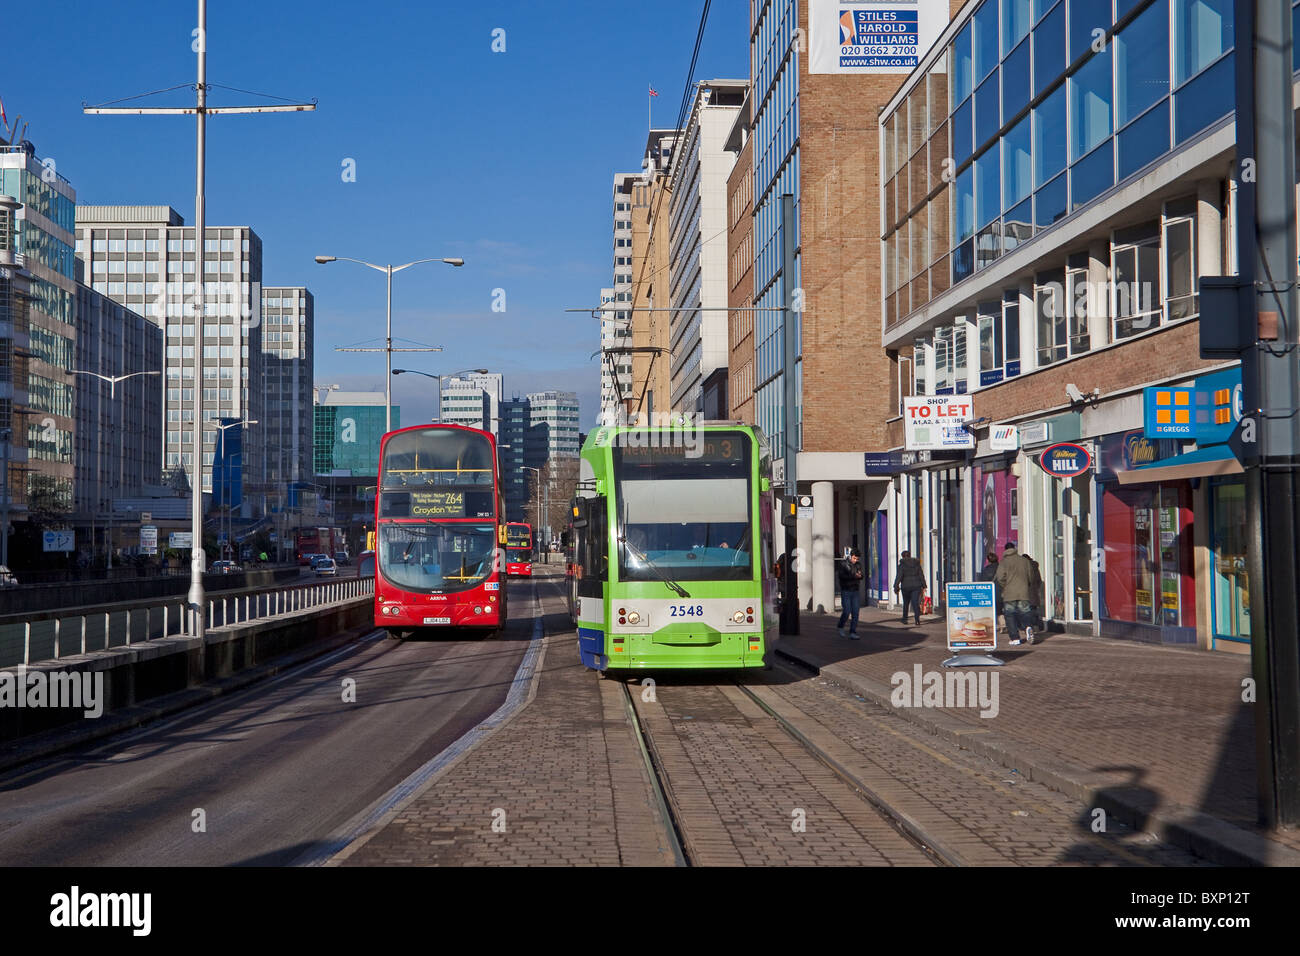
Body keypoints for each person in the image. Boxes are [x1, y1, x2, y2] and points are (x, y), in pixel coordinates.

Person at [994, 541, 1035, 645]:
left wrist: (1005, 586)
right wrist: (1027, 585)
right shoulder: (1024, 561)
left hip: (1009, 594)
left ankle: (1015, 638)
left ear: (1005, 550)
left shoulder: (1004, 562)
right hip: (1023, 592)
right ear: (1014, 548)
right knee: (1025, 612)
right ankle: (1028, 627)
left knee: (1009, 615)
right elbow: (1031, 576)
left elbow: (1000, 577)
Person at [836, 548, 864, 639]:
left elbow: (861, 575)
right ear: (851, 556)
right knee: (847, 611)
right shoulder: (843, 564)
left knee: (855, 612)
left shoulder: (858, 565)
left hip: (855, 590)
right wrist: (853, 576)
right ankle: (840, 626)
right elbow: (841, 576)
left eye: (857, 559)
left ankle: (853, 631)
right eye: (854, 558)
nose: (855, 560)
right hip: (846, 590)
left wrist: (860, 576)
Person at [894, 550, 927, 625]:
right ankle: (917, 619)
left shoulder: (902, 565)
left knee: (906, 603)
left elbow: (899, 577)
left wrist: (896, 587)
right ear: (910, 555)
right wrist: (924, 586)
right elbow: (921, 575)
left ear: (902, 556)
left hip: (906, 586)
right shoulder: (916, 564)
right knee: (915, 603)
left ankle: (904, 619)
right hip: (916, 586)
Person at [1023, 553, 1045, 640]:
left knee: (1026, 612)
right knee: (1033, 610)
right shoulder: (1035, 567)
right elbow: (1039, 580)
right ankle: (1035, 627)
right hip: (1034, 593)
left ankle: (1029, 627)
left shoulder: (1024, 568)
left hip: (1025, 593)